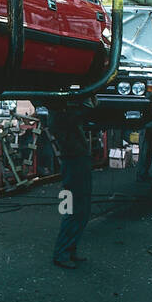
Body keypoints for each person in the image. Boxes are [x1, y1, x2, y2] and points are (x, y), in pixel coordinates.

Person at [49, 102, 92, 269]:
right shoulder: (59, 117)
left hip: (77, 160)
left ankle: (69, 249)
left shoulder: (60, 114)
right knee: (73, 209)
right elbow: (76, 116)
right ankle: (62, 253)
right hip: (74, 162)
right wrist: (87, 103)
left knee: (81, 209)